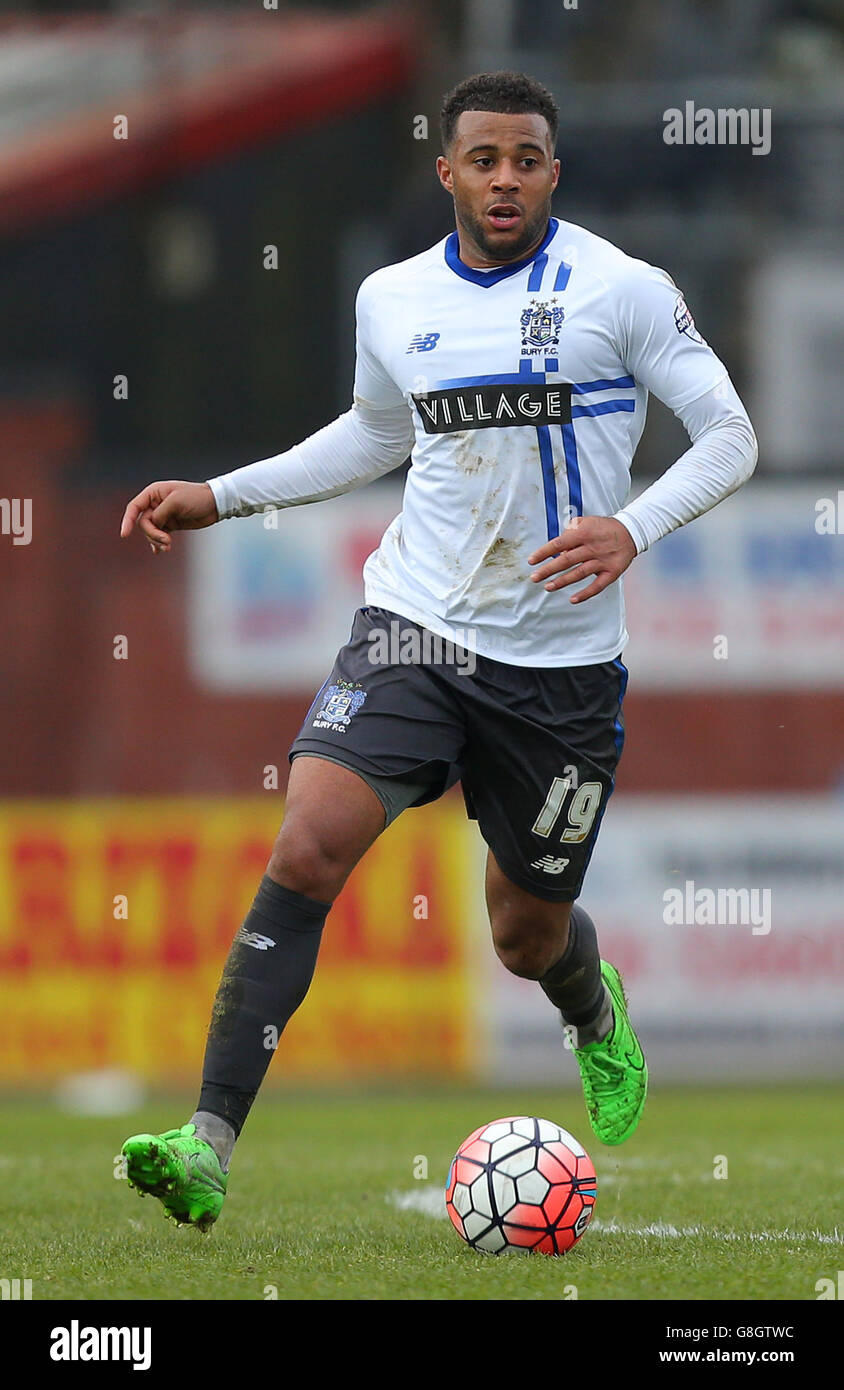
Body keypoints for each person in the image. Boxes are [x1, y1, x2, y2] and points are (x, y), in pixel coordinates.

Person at [118, 71, 757, 1230]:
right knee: (309, 844)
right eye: (483, 159)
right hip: (416, 629)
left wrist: (634, 524)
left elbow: (730, 433)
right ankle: (206, 1141)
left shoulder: (622, 289)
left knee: (524, 934)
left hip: (558, 674)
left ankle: (588, 1004)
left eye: (526, 159)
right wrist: (223, 493)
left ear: (552, 173)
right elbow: (372, 432)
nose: (504, 178)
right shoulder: (392, 298)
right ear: (447, 172)